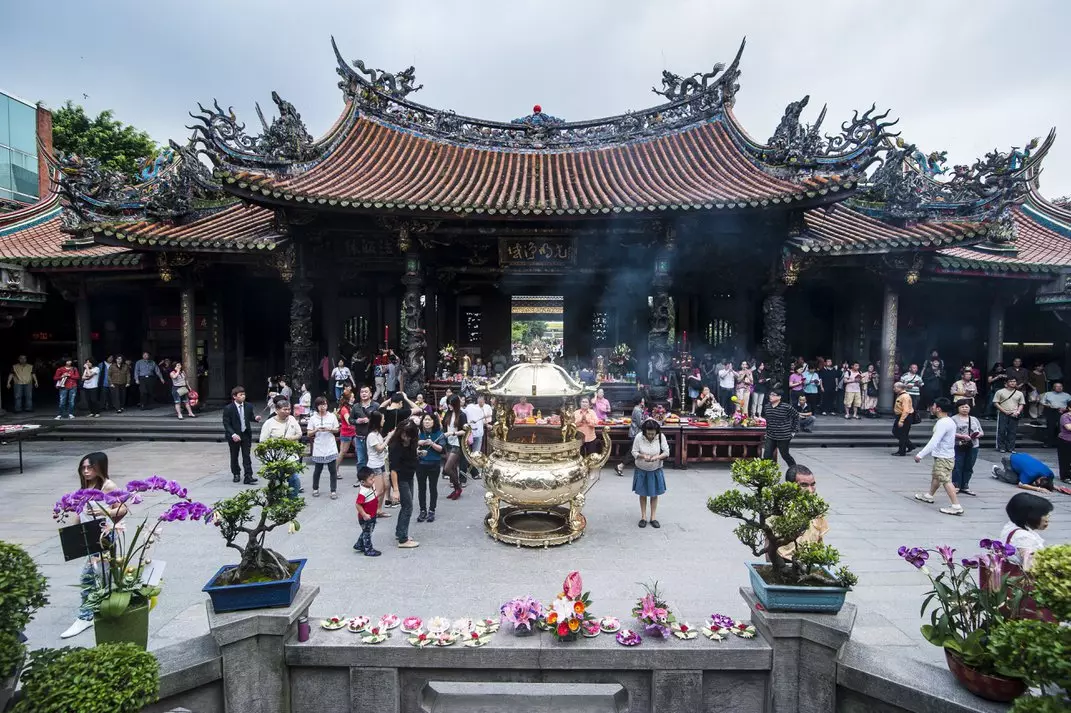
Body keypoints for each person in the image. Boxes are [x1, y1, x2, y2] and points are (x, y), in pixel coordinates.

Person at [59, 452, 129, 639]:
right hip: (88, 535)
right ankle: (106, 608)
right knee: (103, 575)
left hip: (103, 535)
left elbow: (122, 508)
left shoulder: (108, 485)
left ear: (100, 467)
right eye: (83, 467)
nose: (86, 471)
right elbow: (80, 511)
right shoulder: (87, 485)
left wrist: (103, 510)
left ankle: (86, 616)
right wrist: (72, 533)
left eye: (90, 467)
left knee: (88, 577)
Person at [913, 397, 964, 516]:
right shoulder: (948, 421)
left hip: (944, 456)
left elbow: (934, 441)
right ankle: (929, 495)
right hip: (945, 454)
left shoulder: (943, 423)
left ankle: (956, 505)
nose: (932, 408)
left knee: (945, 479)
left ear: (939, 408)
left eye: (934, 406)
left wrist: (920, 455)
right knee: (937, 475)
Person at [777, 466, 828, 561]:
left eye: (812, 484)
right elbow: (769, 543)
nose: (810, 490)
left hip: (810, 561)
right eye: (804, 485)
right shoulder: (780, 509)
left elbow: (820, 539)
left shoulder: (816, 508)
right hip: (786, 560)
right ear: (790, 485)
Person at [259, 396, 303, 497]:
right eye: (285, 409)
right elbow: (263, 441)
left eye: (289, 409)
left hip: (290, 457)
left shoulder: (292, 419)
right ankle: (276, 500)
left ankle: (292, 500)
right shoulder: (269, 423)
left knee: (294, 479)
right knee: (276, 482)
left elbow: (299, 434)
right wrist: (276, 442)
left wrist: (288, 439)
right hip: (275, 458)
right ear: (277, 410)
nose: (287, 411)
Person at [631, 418, 669, 529]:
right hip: (641, 468)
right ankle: (643, 517)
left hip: (655, 469)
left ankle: (653, 517)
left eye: (653, 434)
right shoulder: (639, 437)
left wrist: (657, 457)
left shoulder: (661, 437)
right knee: (642, 493)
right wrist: (643, 456)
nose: (651, 436)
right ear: (644, 432)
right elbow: (634, 451)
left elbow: (666, 452)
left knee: (654, 494)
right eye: (649, 434)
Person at [1000, 492, 1053, 567]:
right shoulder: (1024, 538)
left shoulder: (1012, 525)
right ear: (1032, 516)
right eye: (1044, 515)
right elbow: (1030, 567)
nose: (1047, 519)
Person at [390, 420, 420, 548]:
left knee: (406, 505)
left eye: (407, 434)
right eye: (403, 434)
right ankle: (403, 539)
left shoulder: (412, 443)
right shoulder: (396, 446)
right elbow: (393, 470)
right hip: (400, 479)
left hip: (409, 476)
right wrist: (395, 490)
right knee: (408, 506)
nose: (405, 437)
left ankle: (400, 531)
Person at [222, 385, 261, 484]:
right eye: (240, 395)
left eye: (244, 394)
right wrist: (233, 434)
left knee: (246, 456)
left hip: (246, 434)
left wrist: (255, 418)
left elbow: (249, 417)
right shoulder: (228, 408)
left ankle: (248, 475)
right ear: (235, 397)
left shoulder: (248, 406)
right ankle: (236, 473)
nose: (243, 396)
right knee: (234, 456)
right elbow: (226, 424)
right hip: (234, 435)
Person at [380, 392, 416, 499]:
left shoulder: (384, 411)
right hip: (397, 443)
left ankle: (387, 498)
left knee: (387, 471)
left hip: (385, 441)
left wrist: (390, 399)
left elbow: (381, 406)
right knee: (395, 468)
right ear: (401, 402)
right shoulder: (402, 412)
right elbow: (418, 409)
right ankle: (396, 493)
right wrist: (406, 398)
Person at [308, 396, 341, 498]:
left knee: (332, 470)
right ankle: (315, 488)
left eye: (325, 404)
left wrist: (329, 429)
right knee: (318, 470)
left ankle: (333, 490)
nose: (323, 407)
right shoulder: (313, 418)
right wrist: (316, 430)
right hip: (319, 446)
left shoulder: (332, 416)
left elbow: (337, 430)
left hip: (330, 445)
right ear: (317, 406)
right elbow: (309, 433)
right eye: (320, 405)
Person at [416, 413, 445, 523]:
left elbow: (441, 449)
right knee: (421, 488)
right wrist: (420, 445)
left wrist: (432, 444)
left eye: (429, 420)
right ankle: (422, 510)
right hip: (421, 464)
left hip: (434, 464)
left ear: (433, 422)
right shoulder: (419, 433)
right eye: (425, 420)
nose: (427, 422)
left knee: (433, 488)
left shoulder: (439, 434)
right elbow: (414, 446)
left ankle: (432, 510)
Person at [950, 399, 982, 496]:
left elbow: (981, 431)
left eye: (967, 407)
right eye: (962, 407)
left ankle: (965, 485)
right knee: (958, 465)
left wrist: (977, 435)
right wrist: (962, 436)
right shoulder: (953, 419)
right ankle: (956, 485)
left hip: (973, 445)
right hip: (959, 445)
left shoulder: (974, 419)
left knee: (969, 465)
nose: (965, 409)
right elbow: (951, 432)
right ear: (958, 408)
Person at [762, 389, 799, 468]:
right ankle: (766, 473)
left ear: (779, 397)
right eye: (770, 394)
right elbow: (768, 421)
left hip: (783, 435)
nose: (770, 396)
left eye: (773, 395)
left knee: (785, 455)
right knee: (766, 455)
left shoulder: (786, 407)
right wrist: (767, 432)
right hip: (771, 435)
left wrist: (793, 430)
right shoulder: (767, 407)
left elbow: (796, 416)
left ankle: (795, 470)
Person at [442, 395, 467, 499]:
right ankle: (456, 489)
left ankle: (458, 487)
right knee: (452, 468)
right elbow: (444, 426)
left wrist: (452, 433)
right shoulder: (448, 413)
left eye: (451, 404)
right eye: (448, 403)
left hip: (457, 443)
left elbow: (464, 430)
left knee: (447, 468)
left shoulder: (462, 415)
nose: (449, 406)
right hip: (448, 443)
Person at [991, 452, 1056, 493]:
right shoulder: (1031, 474)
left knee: (1026, 480)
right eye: (1037, 483)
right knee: (1014, 480)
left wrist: (1055, 487)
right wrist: (1038, 489)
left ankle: (1013, 471)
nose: (1036, 483)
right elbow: (1021, 484)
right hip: (1010, 459)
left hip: (1021, 455)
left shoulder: (1049, 473)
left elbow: (1049, 482)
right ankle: (996, 470)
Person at [364, 411, 390, 512]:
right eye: (382, 419)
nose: (384, 420)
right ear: (377, 421)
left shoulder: (377, 434)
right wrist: (389, 438)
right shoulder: (371, 435)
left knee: (385, 487)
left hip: (381, 463)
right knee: (379, 490)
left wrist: (387, 437)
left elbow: (380, 443)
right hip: (375, 465)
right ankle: (369, 509)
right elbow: (379, 448)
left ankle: (378, 510)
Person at [615, 394, 647, 476]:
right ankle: (620, 466)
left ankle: (641, 467)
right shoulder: (637, 410)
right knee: (633, 452)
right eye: (643, 400)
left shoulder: (638, 409)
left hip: (636, 433)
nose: (644, 401)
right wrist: (648, 421)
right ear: (640, 401)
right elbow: (640, 424)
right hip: (636, 433)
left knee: (635, 451)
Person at [993, 376, 1026, 452]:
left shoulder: (1019, 393)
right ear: (1006, 383)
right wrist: (1004, 411)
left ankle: (1011, 447)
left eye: (1014, 381)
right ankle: (1001, 447)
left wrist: (1018, 411)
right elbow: (996, 403)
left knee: (1012, 431)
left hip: (1014, 413)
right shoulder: (1000, 392)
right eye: (1011, 381)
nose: (1013, 383)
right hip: (1003, 413)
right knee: (1002, 430)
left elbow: (1021, 404)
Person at [353, 467, 381, 557]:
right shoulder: (363, 492)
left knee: (367, 531)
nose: (373, 480)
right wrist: (364, 514)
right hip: (366, 517)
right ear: (363, 482)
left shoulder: (370, 486)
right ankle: (368, 549)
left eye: (373, 478)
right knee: (367, 533)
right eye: (370, 479)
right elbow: (358, 504)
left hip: (372, 515)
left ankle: (359, 544)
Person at [351, 386, 379, 473]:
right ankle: (361, 479)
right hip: (359, 438)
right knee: (361, 460)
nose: (364, 394)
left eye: (366, 392)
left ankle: (373, 479)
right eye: (362, 392)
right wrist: (357, 421)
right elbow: (350, 420)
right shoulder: (356, 406)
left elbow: (381, 419)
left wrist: (370, 420)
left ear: (370, 394)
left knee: (372, 459)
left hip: (372, 438)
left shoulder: (376, 405)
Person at [463, 394, 489, 478]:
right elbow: (485, 421)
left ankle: (471, 471)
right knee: (476, 452)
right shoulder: (480, 409)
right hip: (479, 433)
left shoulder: (466, 409)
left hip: (470, 434)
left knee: (468, 453)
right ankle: (475, 472)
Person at [1040, 382, 1071, 446]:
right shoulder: (1048, 394)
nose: (1059, 387)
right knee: (1050, 427)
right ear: (1053, 387)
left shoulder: (1067, 395)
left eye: (1061, 386)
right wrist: (1048, 405)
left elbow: (1070, 405)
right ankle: (1049, 443)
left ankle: (1061, 443)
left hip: (1063, 412)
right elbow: (1042, 402)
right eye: (1057, 386)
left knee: (1062, 428)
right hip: (1051, 411)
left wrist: (1066, 409)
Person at [891, 382, 915, 456]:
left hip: (905, 416)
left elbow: (906, 410)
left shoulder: (905, 397)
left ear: (899, 388)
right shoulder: (900, 395)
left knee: (902, 434)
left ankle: (902, 451)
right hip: (900, 416)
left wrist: (901, 420)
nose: (894, 389)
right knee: (897, 432)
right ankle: (910, 445)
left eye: (895, 387)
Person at [1058, 405, 1071, 482]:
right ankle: (1065, 477)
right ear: (1069, 408)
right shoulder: (1064, 416)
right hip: (1065, 440)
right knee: (1065, 460)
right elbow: (1069, 427)